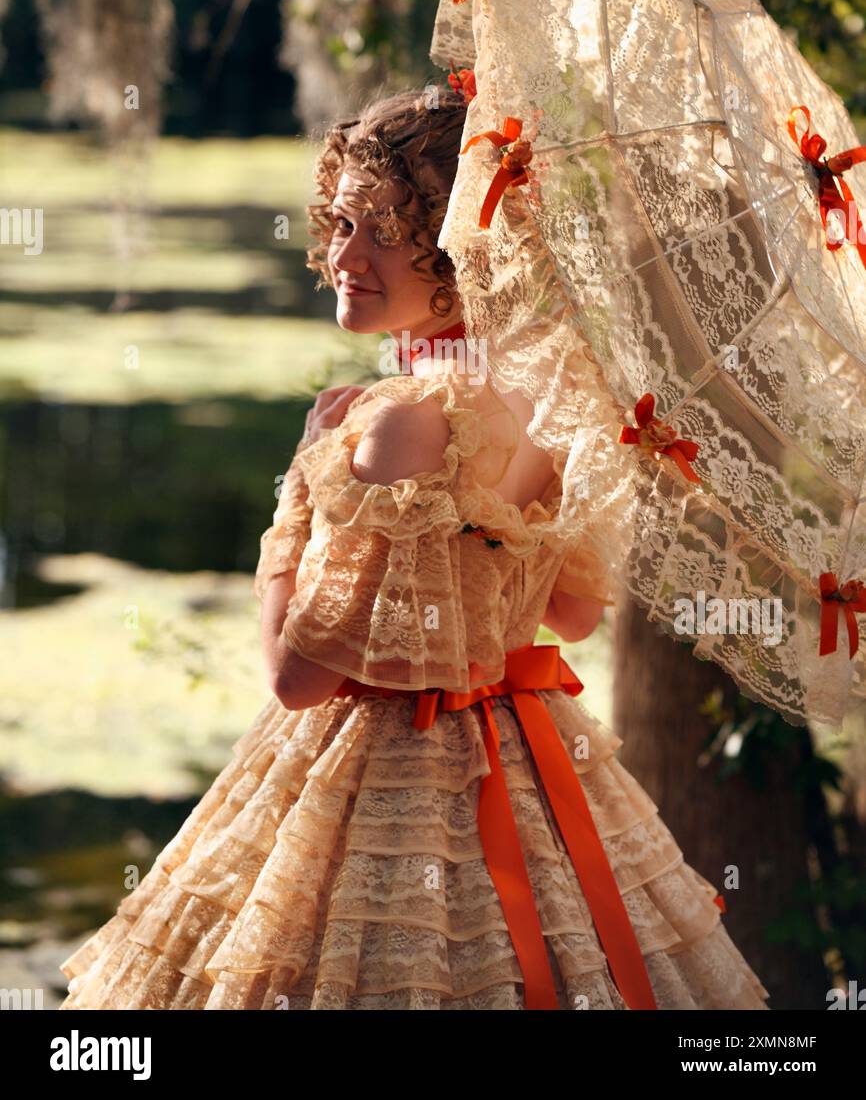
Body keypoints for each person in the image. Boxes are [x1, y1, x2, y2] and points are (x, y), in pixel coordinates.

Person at [58, 86, 770, 1010]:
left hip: (383, 774)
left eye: (385, 231)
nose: (344, 257)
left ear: (458, 251)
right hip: (532, 762)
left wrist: (298, 496)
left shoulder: (399, 422)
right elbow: (574, 613)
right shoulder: (555, 398)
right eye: (343, 222)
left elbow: (295, 678)